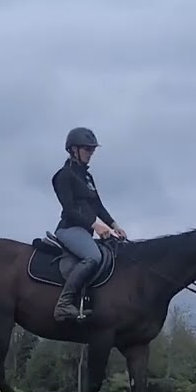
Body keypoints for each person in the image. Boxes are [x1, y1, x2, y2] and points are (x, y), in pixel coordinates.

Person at [50, 126, 126, 322]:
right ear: (73, 149)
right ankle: (64, 304)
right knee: (93, 256)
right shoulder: (63, 176)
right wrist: (95, 225)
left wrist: (114, 224)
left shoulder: (87, 177)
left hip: (85, 231)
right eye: (87, 149)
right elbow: (70, 209)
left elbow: (98, 206)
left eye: (92, 150)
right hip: (69, 229)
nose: (91, 153)